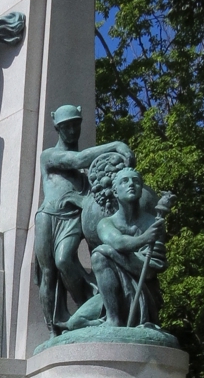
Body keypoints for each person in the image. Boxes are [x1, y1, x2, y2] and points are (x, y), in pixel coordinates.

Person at [33, 105, 132, 332]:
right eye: (65, 127)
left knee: (64, 259)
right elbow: (78, 159)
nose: (71, 131)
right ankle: (53, 328)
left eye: (75, 125)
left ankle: (87, 303)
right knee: (48, 273)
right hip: (47, 217)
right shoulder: (48, 156)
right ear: (57, 127)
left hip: (72, 219)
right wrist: (115, 145)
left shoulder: (85, 180)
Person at [88, 167, 172, 327]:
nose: (131, 184)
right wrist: (144, 238)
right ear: (115, 191)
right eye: (124, 181)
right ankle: (96, 324)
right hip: (112, 288)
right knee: (74, 322)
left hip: (144, 289)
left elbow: (150, 270)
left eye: (136, 181)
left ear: (141, 189)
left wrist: (114, 252)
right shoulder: (106, 223)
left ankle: (113, 320)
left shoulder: (153, 223)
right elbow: (118, 242)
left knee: (99, 255)